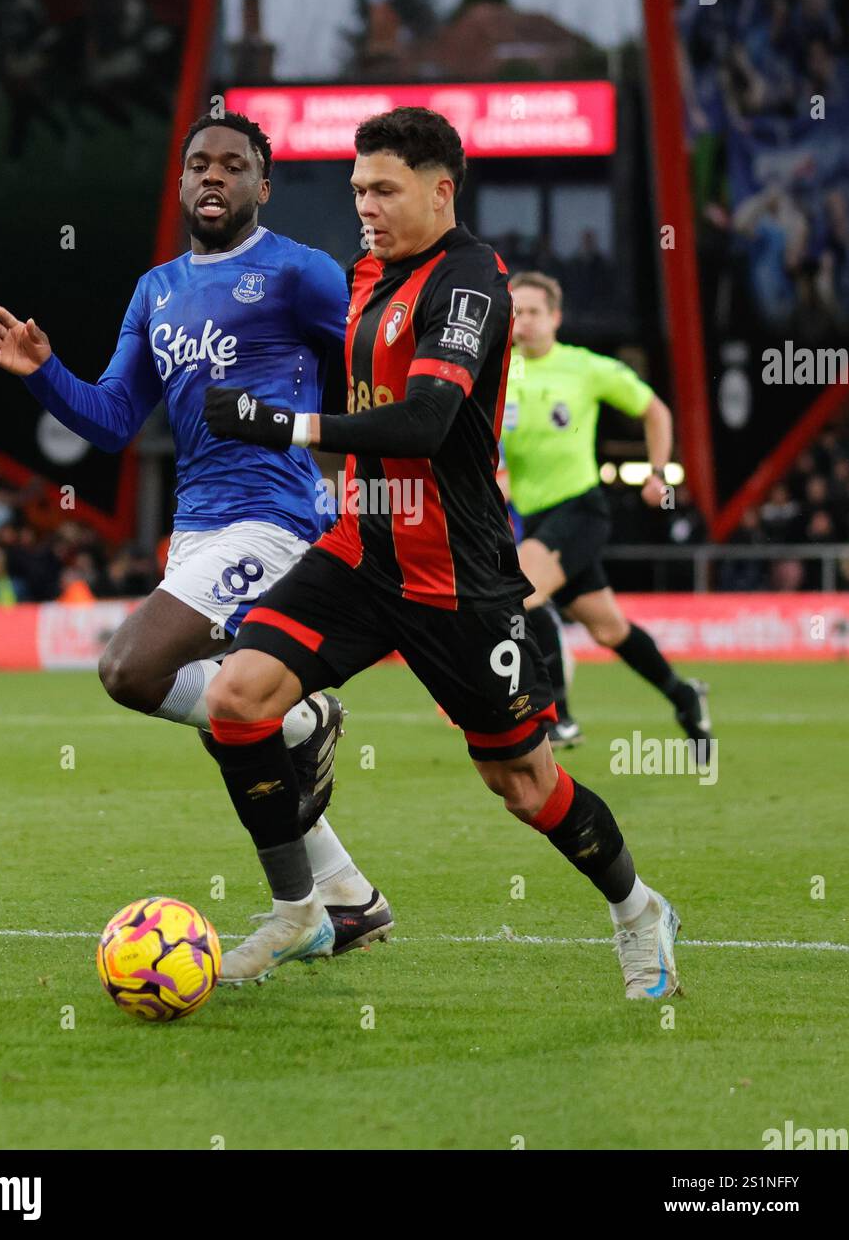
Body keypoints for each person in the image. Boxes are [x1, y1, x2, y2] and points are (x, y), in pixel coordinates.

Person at [201, 106, 682, 999]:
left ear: (439, 190)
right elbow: (356, 402)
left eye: (383, 189)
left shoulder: (469, 284)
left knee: (522, 783)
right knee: (236, 699)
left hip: (453, 576)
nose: (365, 206)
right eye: (356, 189)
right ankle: (303, 909)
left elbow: (425, 423)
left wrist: (283, 424)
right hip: (360, 547)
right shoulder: (362, 278)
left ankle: (637, 909)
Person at [0, 109, 391, 954]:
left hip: (272, 520)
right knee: (233, 723)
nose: (213, 176)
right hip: (196, 532)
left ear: (261, 186)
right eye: (199, 164)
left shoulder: (301, 273)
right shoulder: (155, 290)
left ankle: (307, 738)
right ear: (179, 183)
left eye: (233, 165)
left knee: (128, 668)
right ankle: (345, 900)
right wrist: (44, 373)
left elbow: (369, 359)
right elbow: (111, 420)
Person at [500, 272, 713, 754]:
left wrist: (658, 473)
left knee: (520, 595)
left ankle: (559, 715)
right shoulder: (500, 371)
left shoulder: (586, 368)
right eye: (518, 311)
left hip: (580, 510)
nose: (525, 322)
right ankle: (684, 694)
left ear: (556, 317)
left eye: (535, 312)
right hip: (536, 519)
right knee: (609, 628)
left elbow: (655, 410)